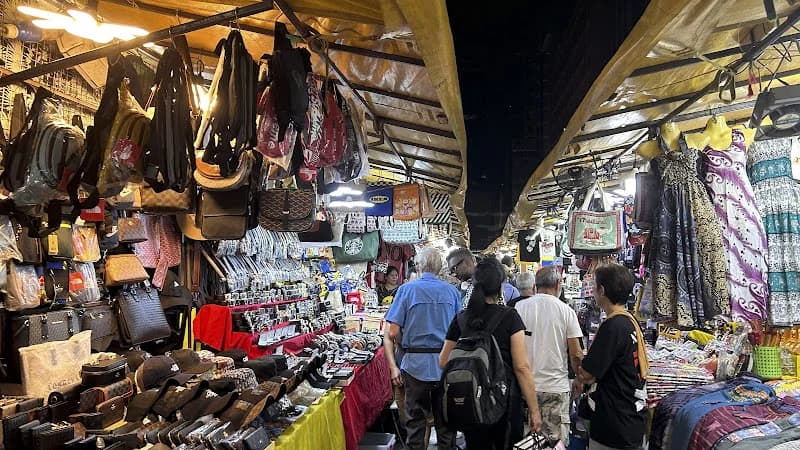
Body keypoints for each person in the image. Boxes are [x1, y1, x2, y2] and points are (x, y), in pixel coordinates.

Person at [440, 258, 542, 450]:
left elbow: (443, 361)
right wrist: (534, 410)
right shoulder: (510, 316)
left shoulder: (462, 318)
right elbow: (521, 367)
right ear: (501, 287)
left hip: (471, 401)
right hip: (505, 403)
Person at [385, 247, 461, 450]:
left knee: (415, 423)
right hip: (445, 365)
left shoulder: (406, 290)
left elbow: (392, 332)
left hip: (414, 366)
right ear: (439, 268)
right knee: (446, 423)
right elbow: (459, 330)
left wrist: (404, 341)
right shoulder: (452, 292)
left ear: (418, 266)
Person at [573, 264, 648, 450]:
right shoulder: (629, 322)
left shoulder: (613, 326)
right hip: (629, 417)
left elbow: (587, 374)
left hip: (615, 422)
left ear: (602, 290)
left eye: (595, 286)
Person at [515, 267, 583, 446]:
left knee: (525, 443)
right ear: (558, 284)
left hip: (523, 387)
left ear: (535, 286)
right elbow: (576, 354)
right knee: (554, 443)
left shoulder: (519, 308)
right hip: (555, 389)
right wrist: (579, 378)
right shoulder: (566, 311)